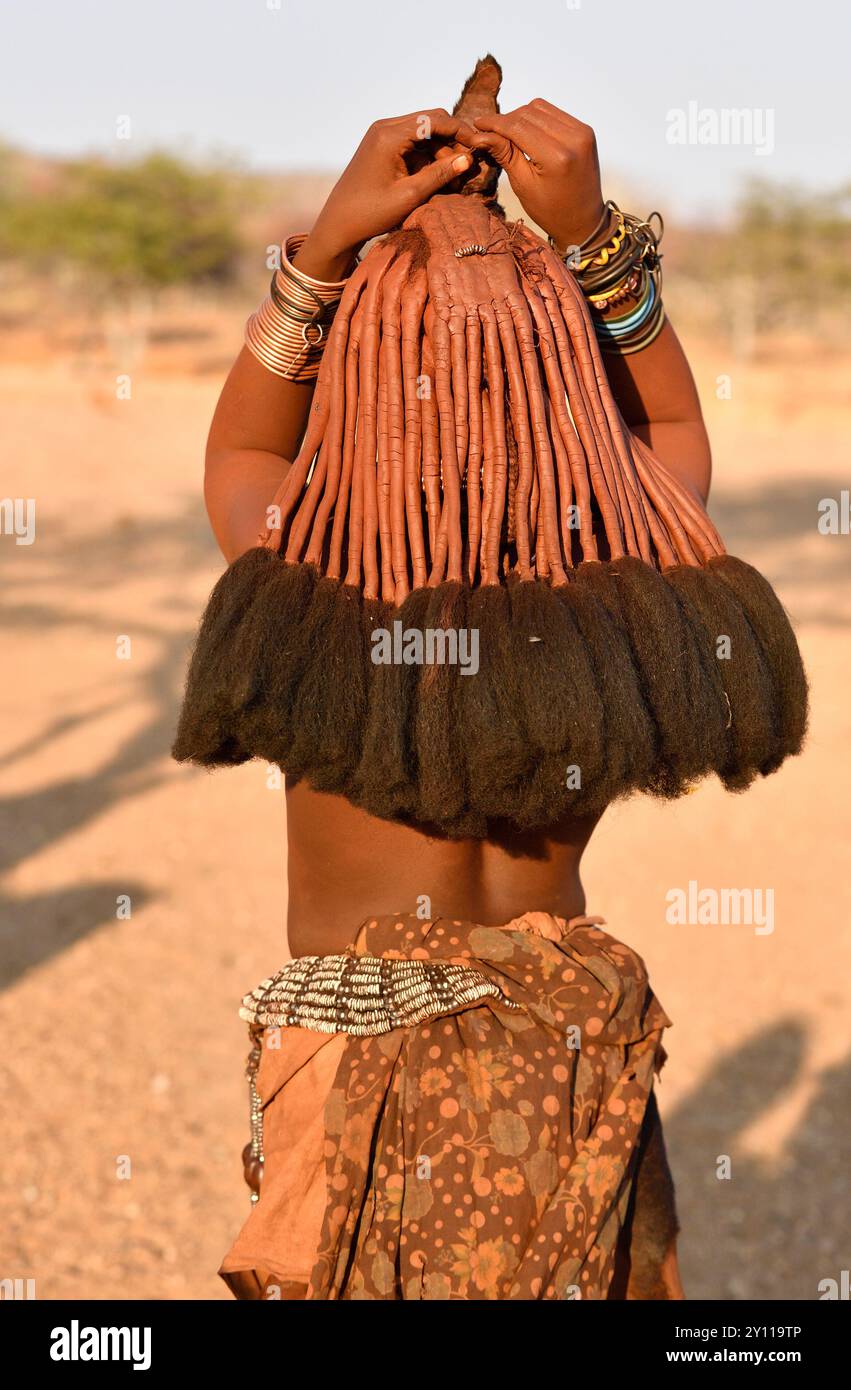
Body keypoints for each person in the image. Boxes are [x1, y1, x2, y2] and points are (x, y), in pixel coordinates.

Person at [173, 58, 806, 1299]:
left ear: (357, 383)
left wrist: (331, 247)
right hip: (561, 1063)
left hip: (361, 1070)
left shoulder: (302, 572)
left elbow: (247, 436)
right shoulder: (620, 573)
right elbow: (672, 432)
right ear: (567, 397)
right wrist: (590, 245)